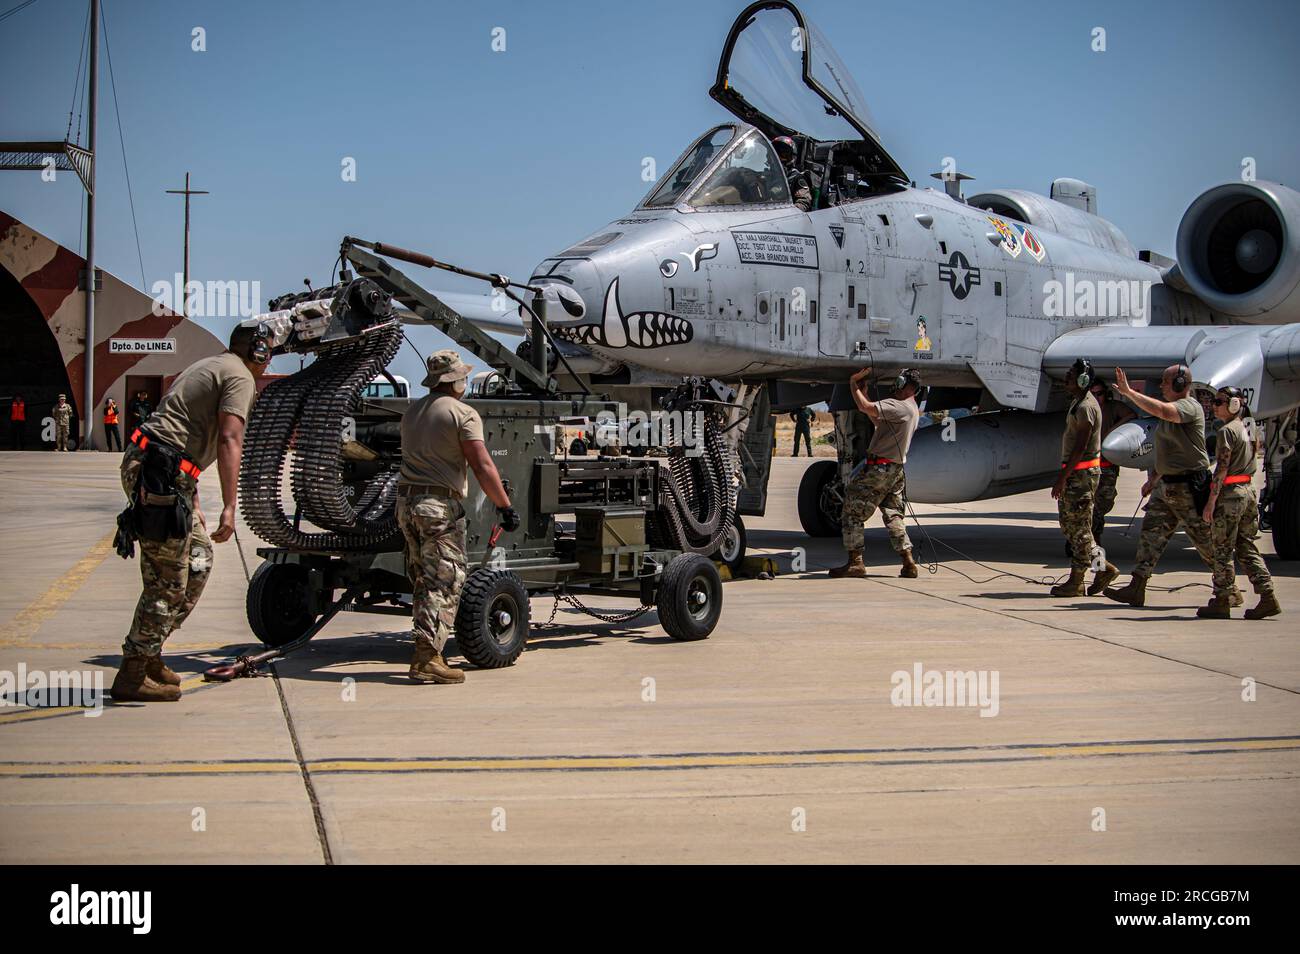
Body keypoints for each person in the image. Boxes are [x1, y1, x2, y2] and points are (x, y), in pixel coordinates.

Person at [110, 324, 269, 702]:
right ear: (260, 352)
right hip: (159, 474)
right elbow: (230, 438)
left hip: (165, 474)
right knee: (169, 579)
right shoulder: (240, 377)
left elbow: (183, 431)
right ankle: (133, 671)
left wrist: (191, 493)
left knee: (198, 559)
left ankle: (149, 654)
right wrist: (230, 507)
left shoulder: (212, 365)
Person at [399, 349, 518, 685]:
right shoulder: (463, 413)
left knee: (424, 581)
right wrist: (505, 506)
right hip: (438, 507)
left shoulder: (412, 411)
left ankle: (429, 650)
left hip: (407, 505)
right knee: (445, 582)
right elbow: (482, 465)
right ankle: (426, 660)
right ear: (456, 381)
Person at [1105, 364, 1216, 607]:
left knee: (1206, 542)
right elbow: (1167, 451)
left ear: (1179, 385)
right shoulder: (1169, 413)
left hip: (1189, 486)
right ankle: (1137, 587)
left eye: (1165, 383)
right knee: (1150, 537)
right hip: (1167, 486)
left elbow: (1166, 412)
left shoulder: (1188, 407)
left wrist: (1130, 393)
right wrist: (1153, 479)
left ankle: (1227, 590)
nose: (1162, 387)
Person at [829, 367, 922, 580]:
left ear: (906, 386)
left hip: (879, 469)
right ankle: (908, 561)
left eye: (899, 382)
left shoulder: (898, 406)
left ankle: (855, 563)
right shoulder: (911, 409)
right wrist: (866, 393)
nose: (895, 386)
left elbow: (864, 407)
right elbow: (879, 422)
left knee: (851, 511)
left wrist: (853, 384)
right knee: (893, 514)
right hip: (895, 470)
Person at [1197, 388, 1280, 620]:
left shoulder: (1226, 431)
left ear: (1234, 404)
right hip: (1248, 491)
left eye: (1219, 402)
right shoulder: (1249, 426)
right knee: (1246, 546)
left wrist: (1211, 502)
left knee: (1222, 548)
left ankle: (1222, 599)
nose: (1214, 405)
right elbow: (1254, 453)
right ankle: (1267, 595)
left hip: (1231, 494)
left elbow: (1222, 468)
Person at [1049, 359, 1117, 596]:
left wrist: (1062, 478)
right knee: (1072, 527)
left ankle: (1079, 580)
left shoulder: (1086, 407)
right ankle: (1100, 570)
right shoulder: (1078, 403)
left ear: (1082, 380)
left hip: (1081, 475)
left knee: (1079, 529)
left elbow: (1080, 447)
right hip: (1076, 474)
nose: (1066, 378)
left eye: (1071, 375)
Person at [1089, 379, 1136, 548]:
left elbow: (1131, 415)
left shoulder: (1113, 407)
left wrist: (1113, 430)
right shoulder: (1085, 409)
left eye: (1099, 393)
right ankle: (1090, 538)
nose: (1096, 397)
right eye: (1092, 394)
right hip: (1089, 466)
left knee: (1104, 502)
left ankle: (1092, 536)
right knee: (1089, 504)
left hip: (1107, 466)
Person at [772, 135, 813, 212]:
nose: (779, 158)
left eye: (784, 154)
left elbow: (804, 202)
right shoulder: (767, 175)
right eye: (775, 154)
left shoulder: (797, 178)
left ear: (792, 157)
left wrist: (787, 213)